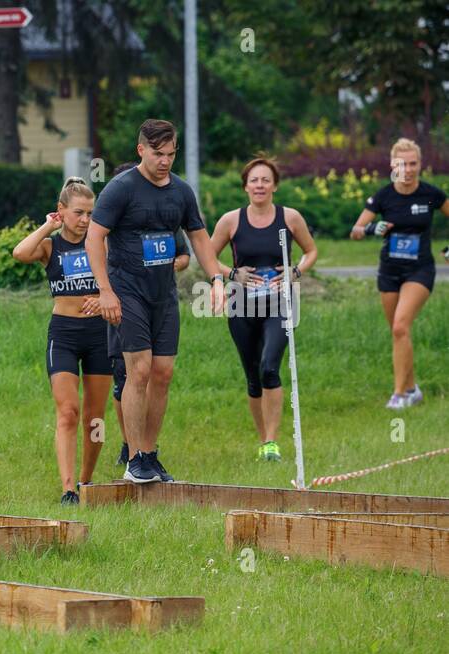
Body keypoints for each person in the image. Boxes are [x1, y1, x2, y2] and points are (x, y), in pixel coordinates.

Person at [86, 119, 226, 484]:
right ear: (141, 150)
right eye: (158, 154)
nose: (165, 161)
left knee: (163, 374)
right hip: (126, 290)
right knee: (140, 371)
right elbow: (93, 238)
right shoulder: (121, 189)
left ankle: (149, 453)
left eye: (171, 154)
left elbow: (198, 237)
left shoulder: (181, 191)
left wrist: (216, 280)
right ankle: (133, 460)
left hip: (163, 295)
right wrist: (105, 291)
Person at [209, 156, 317, 461]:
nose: (260, 185)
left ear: (275, 186)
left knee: (270, 366)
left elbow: (311, 251)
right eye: (254, 180)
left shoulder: (290, 217)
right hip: (241, 305)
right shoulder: (231, 221)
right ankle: (263, 441)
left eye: (265, 180)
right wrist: (232, 273)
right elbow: (207, 255)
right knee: (253, 376)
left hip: (280, 305)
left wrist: (295, 271)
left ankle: (272, 442)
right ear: (245, 186)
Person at [12, 177, 110, 505]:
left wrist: (105, 296)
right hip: (64, 334)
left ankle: (86, 482)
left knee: (95, 417)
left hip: (99, 333)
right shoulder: (50, 247)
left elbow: (124, 276)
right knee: (68, 412)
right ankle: (67, 489)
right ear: (62, 211)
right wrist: (47, 228)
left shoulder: (101, 243)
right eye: (79, 213)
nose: (85, 220)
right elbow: (20, 253)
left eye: (90, 214)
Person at [349, 138, 449, 409]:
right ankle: (413, 389)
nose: (407, 169)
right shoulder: (383, 196)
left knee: (400, 326)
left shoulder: (431, 194)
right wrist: (374, 228)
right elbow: (356, 231)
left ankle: (400, 395)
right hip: (389, 272)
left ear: (420, 164)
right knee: (398, 333)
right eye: (402, 163)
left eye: (413, 163)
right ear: (393, 165)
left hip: (420, 270)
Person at [105, 161, 190, 469]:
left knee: (155, 373)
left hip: (159, 298)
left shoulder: (165, 215)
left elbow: (183, 255)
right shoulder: (111, 217)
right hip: (120, 298)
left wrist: (172, 264)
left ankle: (146, 453)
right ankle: (130, 450)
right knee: (125, 376)